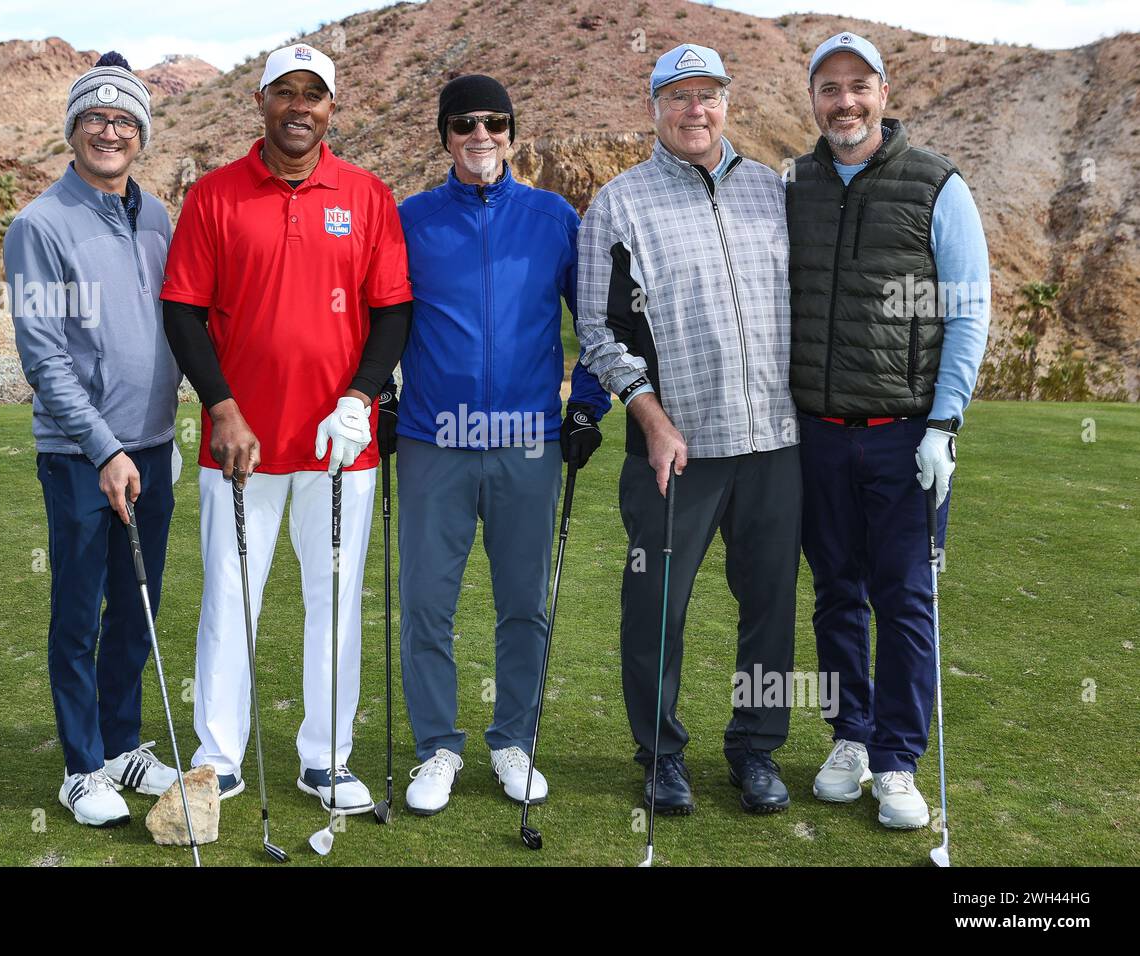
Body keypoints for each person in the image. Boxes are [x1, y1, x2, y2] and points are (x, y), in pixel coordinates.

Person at [161, 44, 413, 815]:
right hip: (239, 449)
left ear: (332, 108)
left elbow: (393, 308)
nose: (299, 107)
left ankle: (325, 759)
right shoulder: (215, 195)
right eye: (285, 93)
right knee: (230, 597)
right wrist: (222, 407)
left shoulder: (366, 195)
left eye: (315, 95)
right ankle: (218, 756)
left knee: (333, 600)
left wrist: (361, 396)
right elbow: (182, 310)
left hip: (341, 446)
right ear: (261, 102)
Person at [576, 45, 801, 815]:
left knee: (770, 605)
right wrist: (652, 415)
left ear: (727, 103)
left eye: (707, 95)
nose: (694, 110)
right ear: (655, 109)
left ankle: (756, 749)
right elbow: (599, 332)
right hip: (674, 447)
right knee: (655, 605)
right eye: (678, 97)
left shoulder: (774, 192)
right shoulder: (619, 202)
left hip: (773, 441)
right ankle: (661, 752)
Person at [390, 75, 611, 816]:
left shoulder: (553, 217)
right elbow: (377, 318)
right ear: (444, 136)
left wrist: (587, 404)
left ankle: (513, 739)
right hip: (433, 441)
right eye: (463, 124)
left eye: (494, 123)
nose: (479, 136)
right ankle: (437, 749)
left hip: (527, 442)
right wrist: (378, 396)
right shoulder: (410, 219)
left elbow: (598, 323)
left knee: (524, 603)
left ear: (512, 133)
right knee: (426, 604)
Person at [787, 32, 990, 828]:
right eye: (830, 87)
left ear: (883, 90)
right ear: (813, 98)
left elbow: (968, 315)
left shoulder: (937, 184)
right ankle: (851, 737)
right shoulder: (793, 182)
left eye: (858, 86)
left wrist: (945, 422)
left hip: (906, 434)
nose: (845, 101)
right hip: (817, 431)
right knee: (836, 593)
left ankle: (900, 759)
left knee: (904, 597)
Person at [6, 52, 183, 827]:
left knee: (136, 606)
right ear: (73, 130)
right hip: (82, 454)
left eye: (123, 120)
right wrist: (104, 447)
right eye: (94, 118)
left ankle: (122, 744)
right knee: (80, 610)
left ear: (140, 133)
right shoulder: (38, 225)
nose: (108, 131)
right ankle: (81, 767)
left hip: (151, 444)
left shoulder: (157, 216)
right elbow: (42, 356)